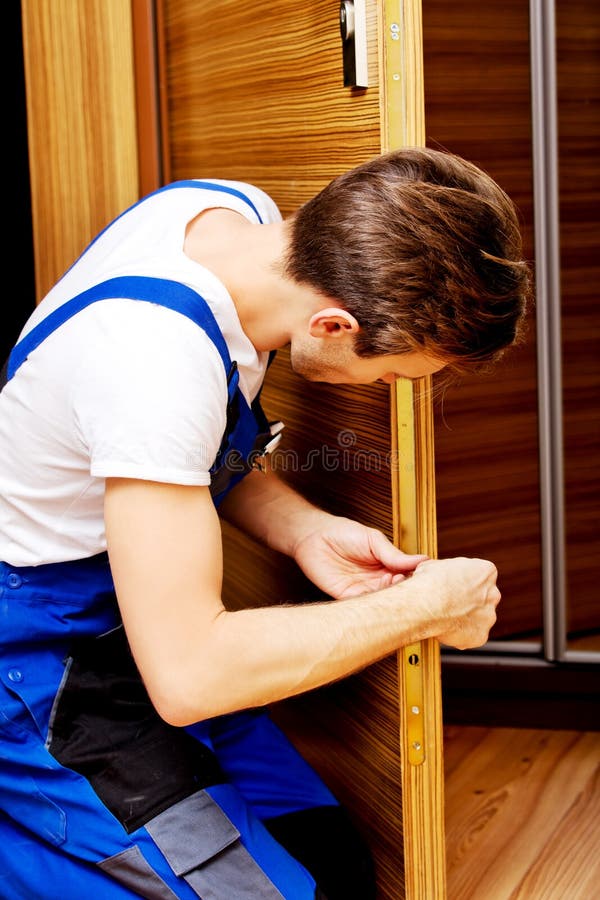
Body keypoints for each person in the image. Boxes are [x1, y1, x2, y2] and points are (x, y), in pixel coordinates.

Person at [0, 147, 529, 900]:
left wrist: (303, 528)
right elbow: (190, 678)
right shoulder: (150, 364)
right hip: (37, 665)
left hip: (134, 616)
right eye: (395, 375)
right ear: (335, 324)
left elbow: (186, 452)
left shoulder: (238, 219)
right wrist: (421, 608)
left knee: (333, 865)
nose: (385, 390)